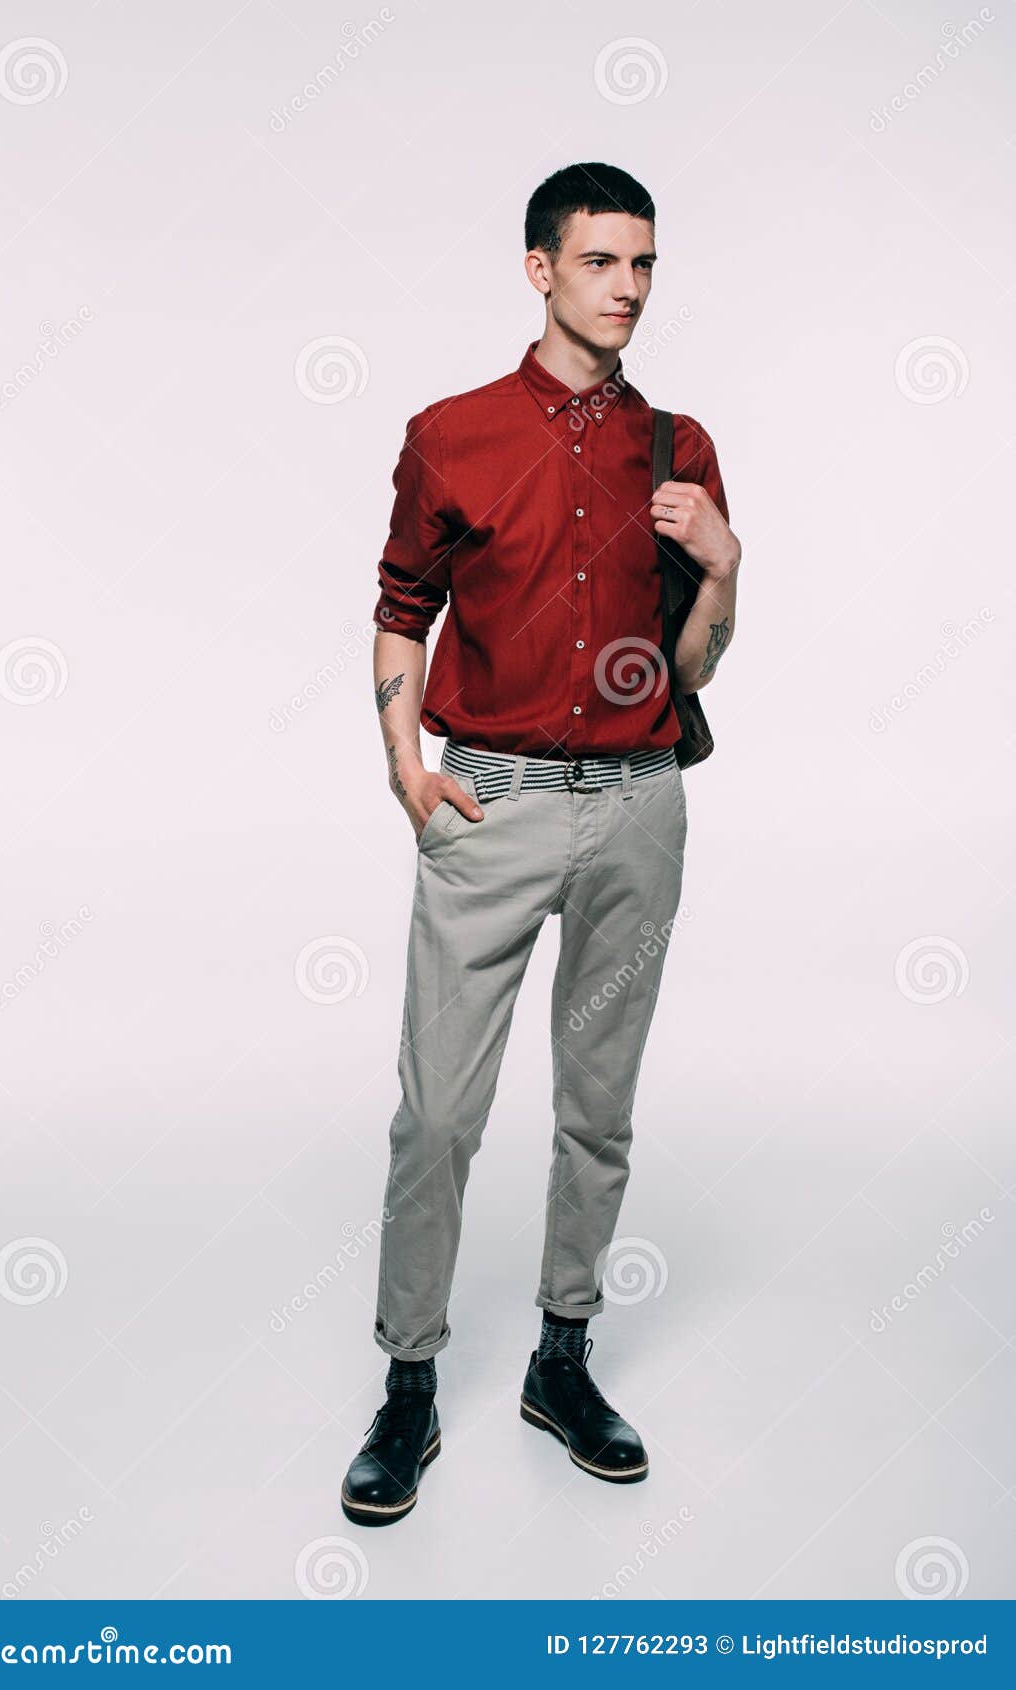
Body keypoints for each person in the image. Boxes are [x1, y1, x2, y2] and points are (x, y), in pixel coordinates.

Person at [342, 162, 741, 1527]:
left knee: (598, 1105)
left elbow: (696, 665)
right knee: (438, 1112)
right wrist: (406, 766)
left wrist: (726, 569)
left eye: (644, 265)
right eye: (601, 262)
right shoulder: (451, 435)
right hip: (493, 800)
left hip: (638, 806)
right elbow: (401, 604)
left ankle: (561, 1361)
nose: (628, 287)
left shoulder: (678, 450)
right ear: (540, 269)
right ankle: (409, 1383)